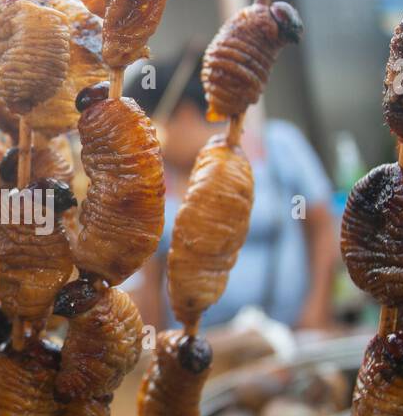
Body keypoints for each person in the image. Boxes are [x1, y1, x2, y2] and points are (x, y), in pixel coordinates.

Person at [132, 58, 337, 332]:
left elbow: (323, 228)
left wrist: (316, 310)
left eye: (152, 133)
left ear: (184, 115)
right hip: (207, 354)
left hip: (294, 338)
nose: (153, 148)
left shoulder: (279, 146)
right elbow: (152, 284)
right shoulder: (153, 191)